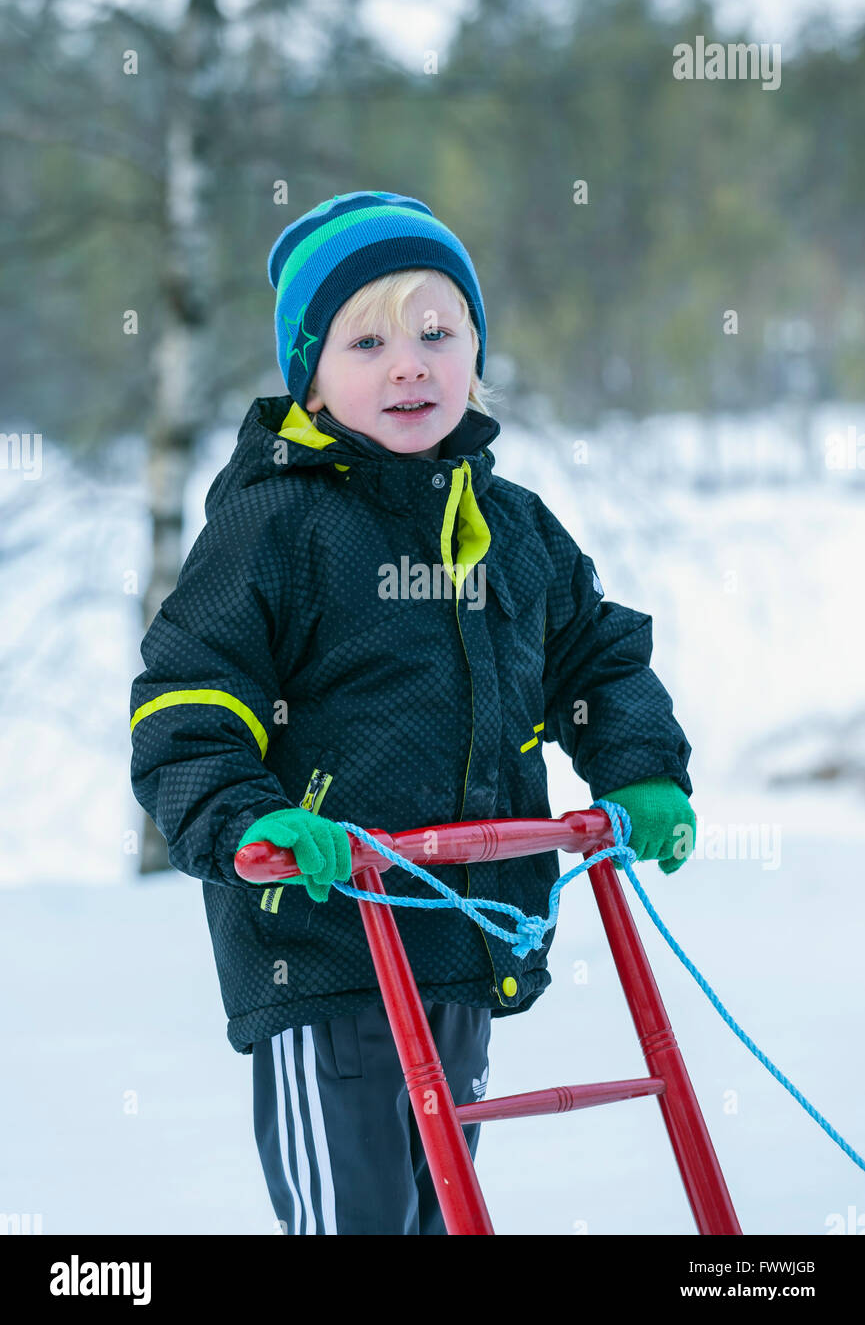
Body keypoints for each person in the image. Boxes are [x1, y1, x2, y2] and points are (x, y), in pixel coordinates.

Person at [129, 189, 696, 1235]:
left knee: (445, 1206)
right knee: (353, 1214)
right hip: (324, 932)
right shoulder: (275, 527)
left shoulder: (513, 528)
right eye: (368, 339)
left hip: (465, 936)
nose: (410, 363)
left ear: (476, 351)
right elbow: (189, 697)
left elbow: (596, 658)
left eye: (439, 332)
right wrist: (251, 821)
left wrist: (639, 765)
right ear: (311, 373)